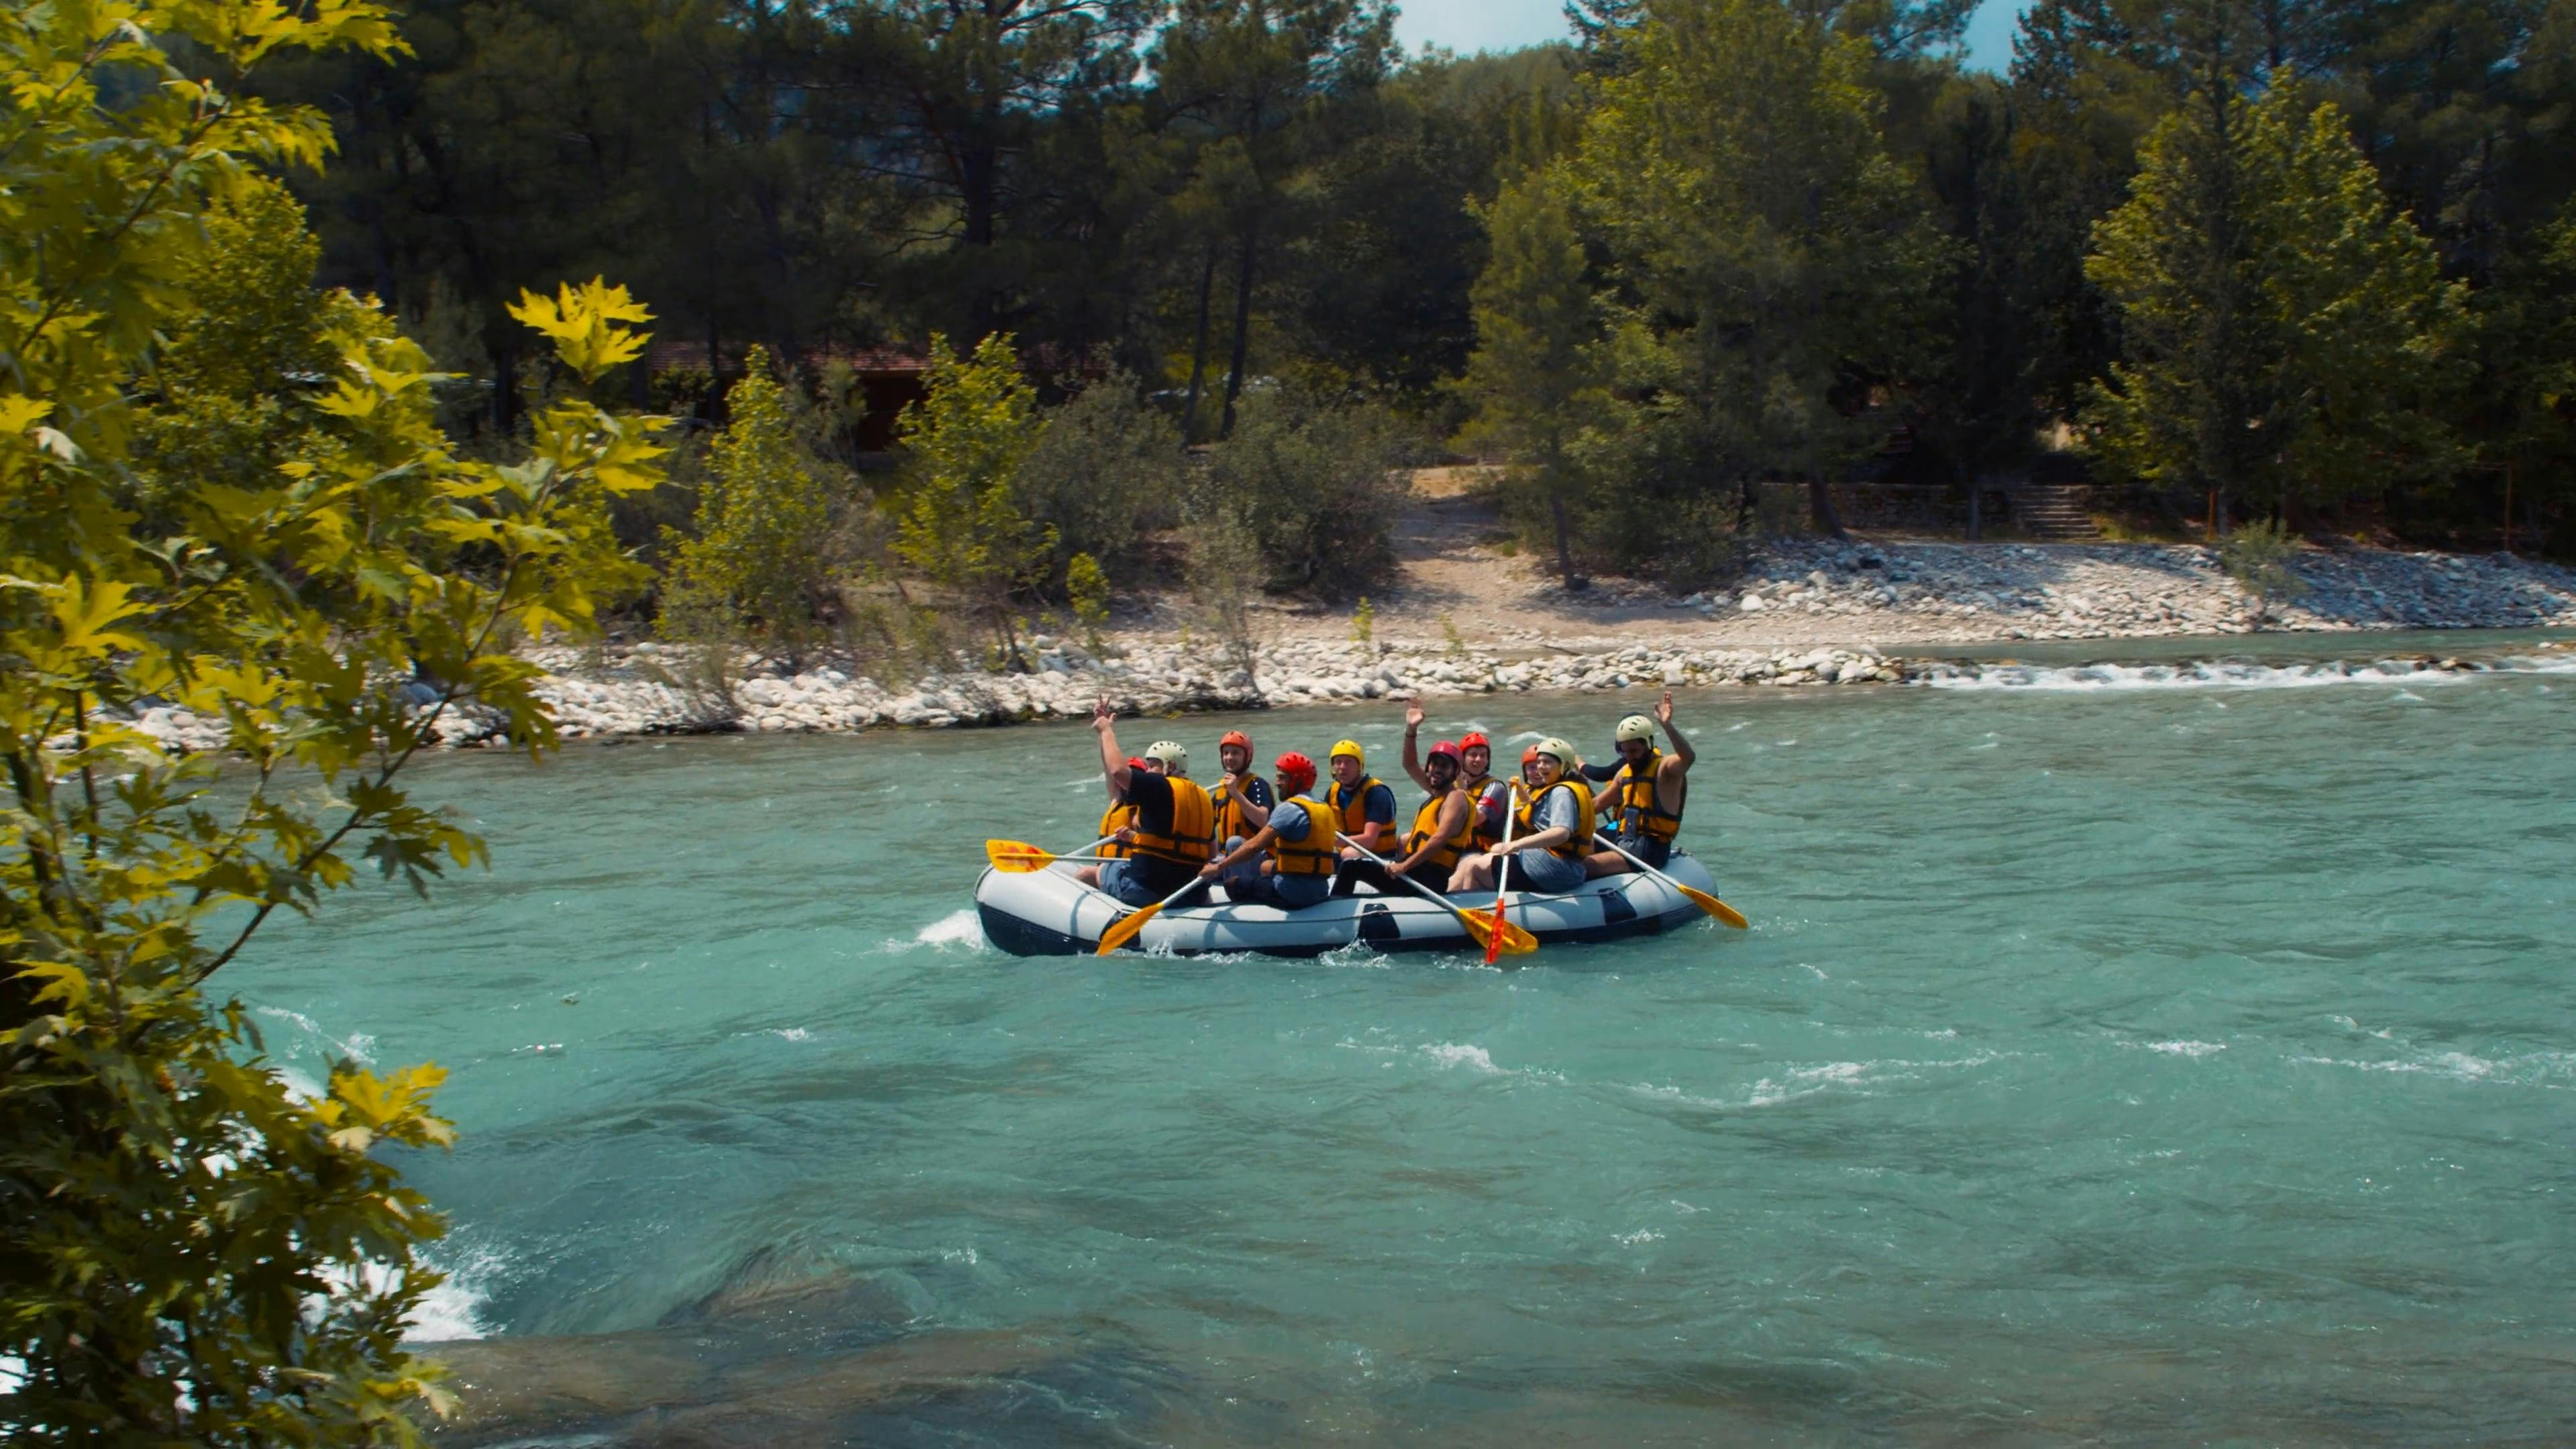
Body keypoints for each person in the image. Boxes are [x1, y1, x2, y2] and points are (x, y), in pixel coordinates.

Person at [1073, 699, 1214, 906]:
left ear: (1170, 766)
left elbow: (1117, 771)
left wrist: (1106, 730)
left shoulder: (1159, 786)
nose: (1147, 772)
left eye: (1152, 766)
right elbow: (1211, 854)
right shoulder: (1204, 798)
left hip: (1147, 890)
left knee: (1099, 870)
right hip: (1190, 895)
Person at [1447, 737, 1595, 897]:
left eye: (1547, 762)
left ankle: (1472, 908)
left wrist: (1513, 846)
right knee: (1475, 862)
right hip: (1555, 863)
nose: (1540, 767)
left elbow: (1561, 833)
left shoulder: (1562, 792)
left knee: (1474, 868)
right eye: (1539, 762)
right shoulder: (1563, 789)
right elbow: (1535, 813)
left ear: (1564, 765)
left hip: (1558, 868)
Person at [1197, 752, 1337, 910]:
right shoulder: (1323, 807)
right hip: (1320, 890)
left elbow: (1254, 846)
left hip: (1290, 893)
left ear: (1297, 780)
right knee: (1266, 866)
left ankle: (1250, 916)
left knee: (1233, 884)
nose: (1277, 782)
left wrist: (1219, 867)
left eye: (1282, 777)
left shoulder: (1289, 809)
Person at [1340, 735, 1471, 895]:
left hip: (1430, 878)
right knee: (1358, 865)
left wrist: (1404, 866)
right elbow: (1410, 764)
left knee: (1352, 867)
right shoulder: (1438, 794)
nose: (1437, 769)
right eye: (1434, 764)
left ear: (1455, 772)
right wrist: (1411, 731)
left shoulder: (1456, 797)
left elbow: (1439, 840)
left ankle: (1333, 908)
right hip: (1416, 871)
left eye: (1444, 766)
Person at [1580, 691, 1693, 876]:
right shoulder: (1625, 773)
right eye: (1625, 751)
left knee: (1581, 867)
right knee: (1572, 850)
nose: (1629, 756)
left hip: (1650, 851)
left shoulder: (1665, 769)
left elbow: (1688, 758)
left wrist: (1667, 726)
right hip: (1625, 840)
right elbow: (1596, 805)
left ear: (1649, 744)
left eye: (1634, 751)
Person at [1403, 699, 1505, 851]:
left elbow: (1475, 819)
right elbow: (1410, 765)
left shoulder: (1495, 787)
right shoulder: (1447, 783)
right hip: (1451, 844)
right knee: (1405, 840)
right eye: (1473, 755)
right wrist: (1411, 730)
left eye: (1483, 755)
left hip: (1478, 850)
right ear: (1461, 759)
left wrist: (1461, 785)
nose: (1478, 759)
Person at [1321, 739, 1399, 894]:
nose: (1342, 767)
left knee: (1348, 853)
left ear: (1360, 766)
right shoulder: (1333, 792)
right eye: (1338, 762)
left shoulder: (1376, 793)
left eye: (1349, 762)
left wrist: (1337, 841)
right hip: (1344, 850)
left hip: (1378, 854)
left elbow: (1370, 839)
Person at [1206, 729, 1274, 898]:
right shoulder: (1219, 792)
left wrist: (1236, 793)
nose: (1229, 757)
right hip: (1226, 859)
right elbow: (1210, 834)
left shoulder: (1257, 785)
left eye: (1235, 753)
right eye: (1226, 753)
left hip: (1255, 857)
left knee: (1235, 842)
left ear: (1247, 757)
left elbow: (1263, 820)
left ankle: (1241, 893)